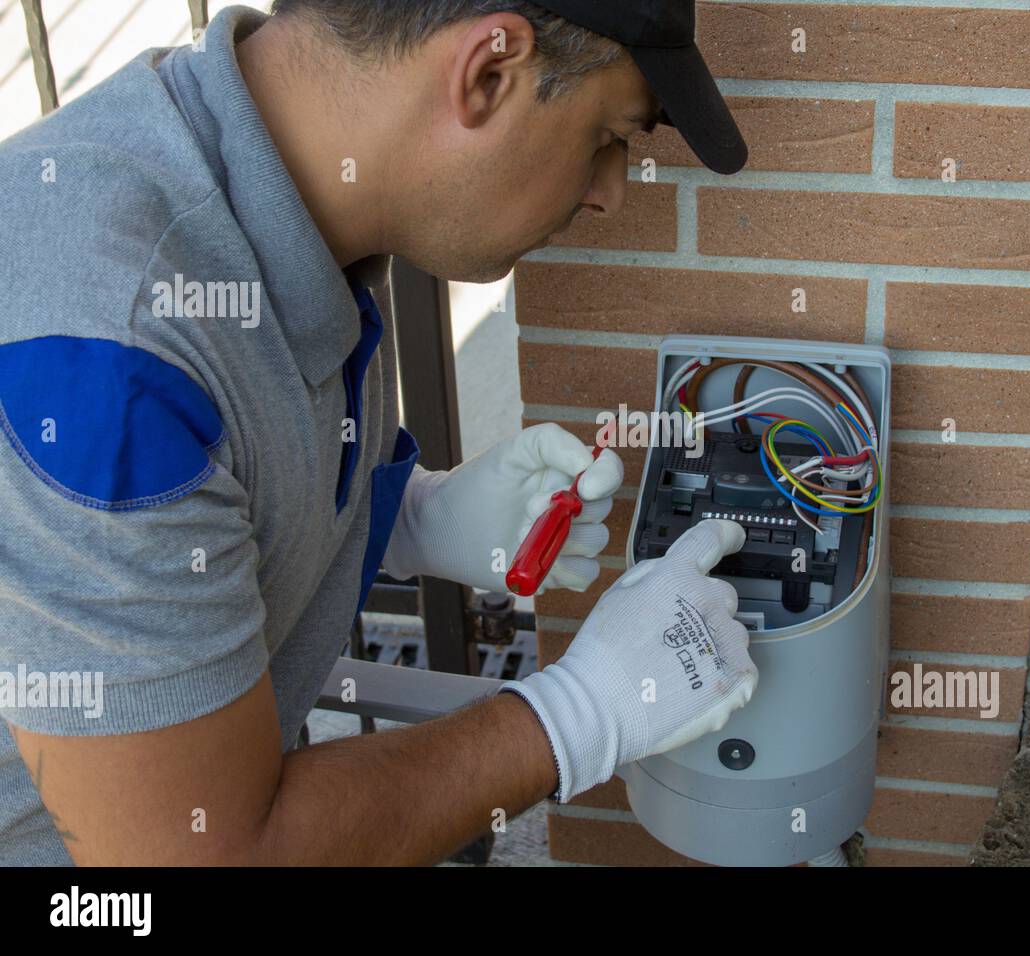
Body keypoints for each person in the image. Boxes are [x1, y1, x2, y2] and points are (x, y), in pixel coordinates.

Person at [0, 0, 755, 865]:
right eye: (609, 138)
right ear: (488, 73)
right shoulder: (109, 354)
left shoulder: (290, 197)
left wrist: (409, 519)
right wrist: (577, 714)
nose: (610, 192)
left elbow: (223, 496)